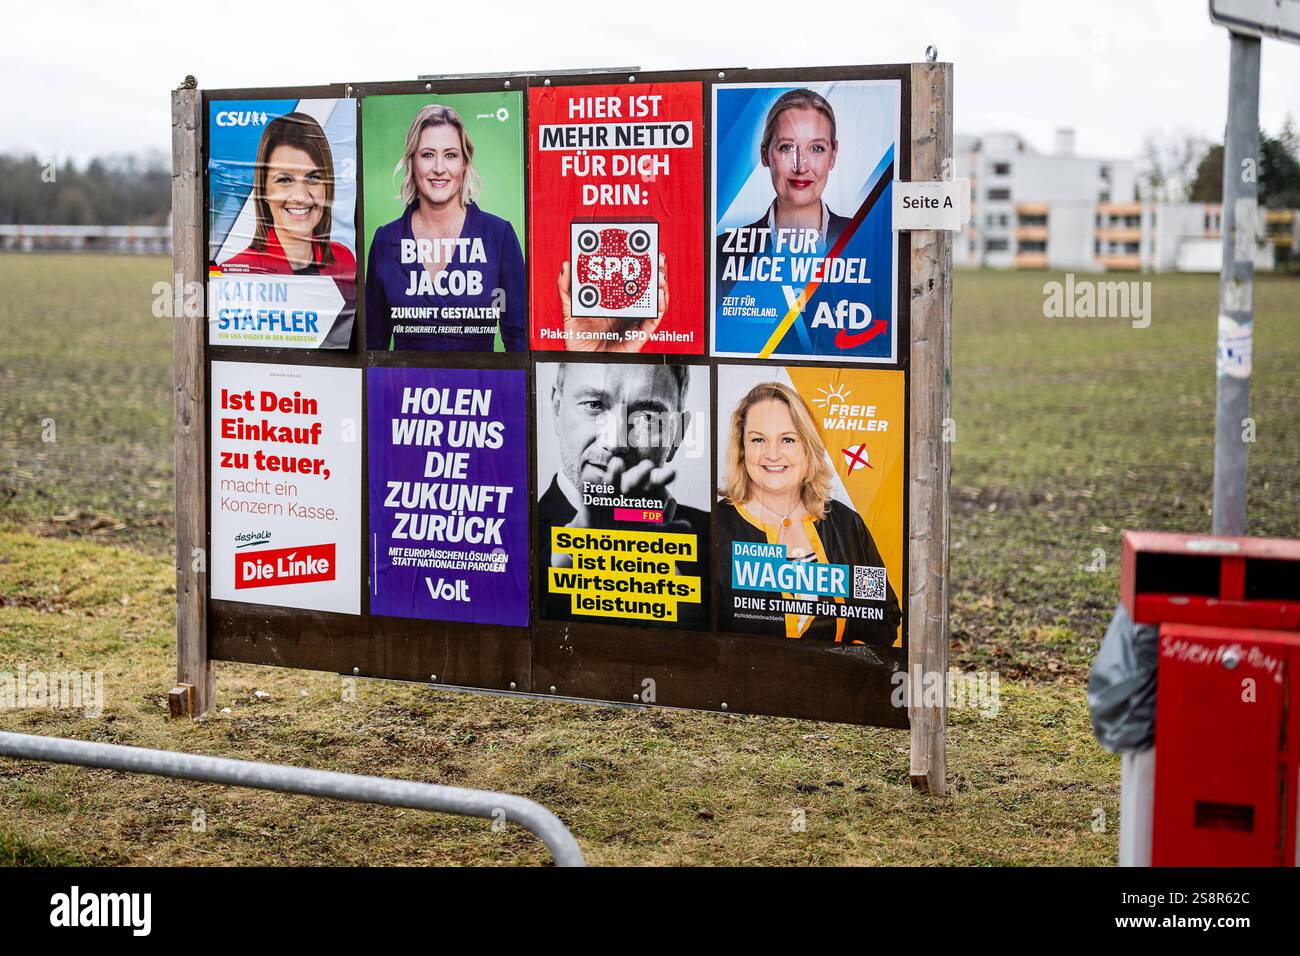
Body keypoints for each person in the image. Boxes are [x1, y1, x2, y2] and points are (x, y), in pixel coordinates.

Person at [716, 381, 901, 645]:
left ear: (808, 447)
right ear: (742, 449)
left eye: (788, 439)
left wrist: (851, 661)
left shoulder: (846, 524)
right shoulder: (714, 527)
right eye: (758, 439)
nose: (772, 454)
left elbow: (883, 613)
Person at [538, 362, 709, 626]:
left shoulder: (715, 544)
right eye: (594, 405)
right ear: (557, 408)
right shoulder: (504, 536)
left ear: (677, 435)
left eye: (646, 417)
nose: (615, 441)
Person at [366, 104, 526, 351]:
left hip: (481, 390)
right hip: (404, 390)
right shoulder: (385, 240)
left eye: (450, 155)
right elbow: (373, 345)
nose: (439, 168)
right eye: (428, 154)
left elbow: (519, 341)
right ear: (412, 161)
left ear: (464, 162)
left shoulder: (498, 236)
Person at [220, 112, 357, 345]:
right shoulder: (234, 273)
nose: (301, 197)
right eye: (285, 180)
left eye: (313, 178)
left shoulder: (344, 260)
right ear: (264, 190)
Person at [715, 88, 849, 301]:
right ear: (765, 155)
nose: (801, 166)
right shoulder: (722, 253)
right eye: (787, 147)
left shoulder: (862, 240)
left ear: (833, 155)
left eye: (816, 149)